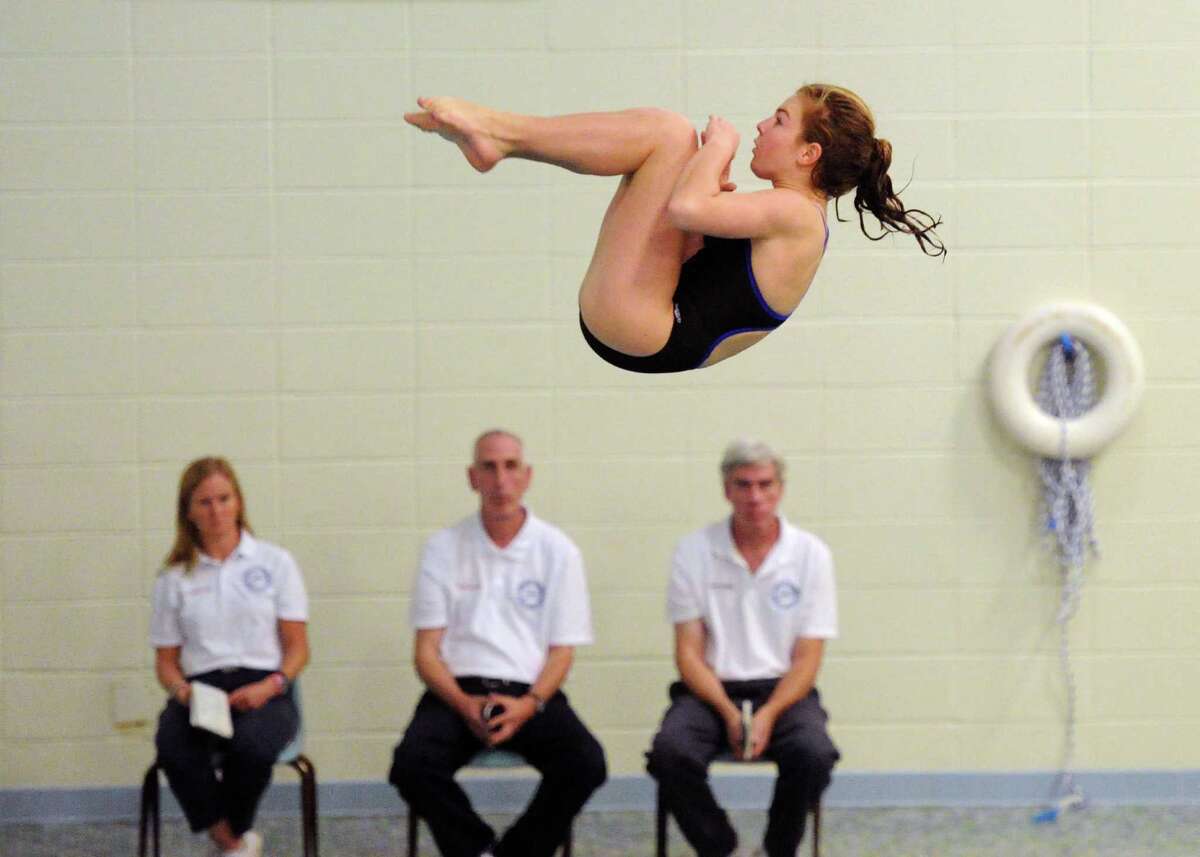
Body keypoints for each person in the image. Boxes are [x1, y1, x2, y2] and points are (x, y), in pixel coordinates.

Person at [405, 84, 944, 374]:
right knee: (668, 144)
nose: (761, 125)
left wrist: (719, 149)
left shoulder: (797, 214)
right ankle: (501, 137)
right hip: (645, 329)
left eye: (778, 119)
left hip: (644, 327)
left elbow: (685, 210)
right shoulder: (791, 217)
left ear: (809, 153)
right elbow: (697, 242)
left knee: (669, 134)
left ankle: (501, 133)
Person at [389, 429, 607, 857]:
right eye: (489, 467)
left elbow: (562, 651)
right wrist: (463, 704)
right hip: (456, 695)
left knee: (586, 764)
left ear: (527, 476)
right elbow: (426, 652)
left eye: (510, 467)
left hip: (531, 695)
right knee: (411, 766)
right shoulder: (443, 548)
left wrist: (530, 704)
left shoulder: (557, 551)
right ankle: (476, 849)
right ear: (472, 477)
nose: (500, 479)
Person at [646, 439, 839, 857]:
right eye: (743, 484)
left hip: (784, 690)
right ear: (726, 489)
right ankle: (722, 848)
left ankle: (776, 849)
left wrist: (768, 713)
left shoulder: (810, 555)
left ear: (780, 489)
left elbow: (809, 658)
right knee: (669, 753)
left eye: (765, 485)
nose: (755, 496)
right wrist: (729, 713)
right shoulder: (693, 552)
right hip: (711, 689)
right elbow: (688, 654)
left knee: (814, 753)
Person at [149, 457, 310, 857]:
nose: (216, 511)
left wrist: (272, 685)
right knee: (172, 744)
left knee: (252, 747)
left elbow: (298, 648)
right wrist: (181, 691)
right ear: (188, 511)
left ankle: (227, 841)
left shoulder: (275, 563)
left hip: (265, 687)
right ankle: (234, 842)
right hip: (201, 691)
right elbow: (166, 662)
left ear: (239, 503)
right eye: (204, 502)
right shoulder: (173, 578)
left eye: (224, 499)